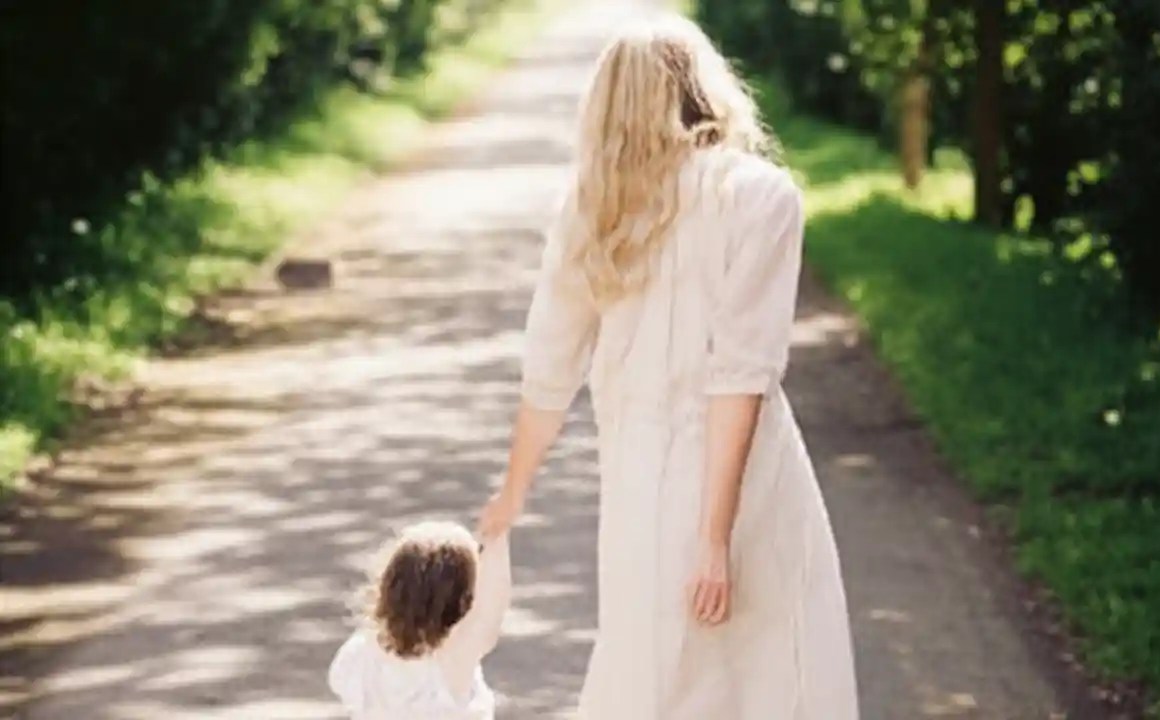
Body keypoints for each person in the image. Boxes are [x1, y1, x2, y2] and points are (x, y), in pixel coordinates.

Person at [478, 14, 860, 720]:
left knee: (644, 676)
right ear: (707, 89)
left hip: (637, 485)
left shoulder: (595, 209)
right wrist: (714, 536)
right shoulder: (761, 195)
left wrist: (514, 493)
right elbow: (740, 376)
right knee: (767, 677)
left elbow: (549, 367)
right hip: (746, 483)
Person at [328, 520, 510, 720]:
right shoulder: (452, 660)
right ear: (461, 600)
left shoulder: (359, 651)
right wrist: (500, 529)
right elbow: (491, 611)